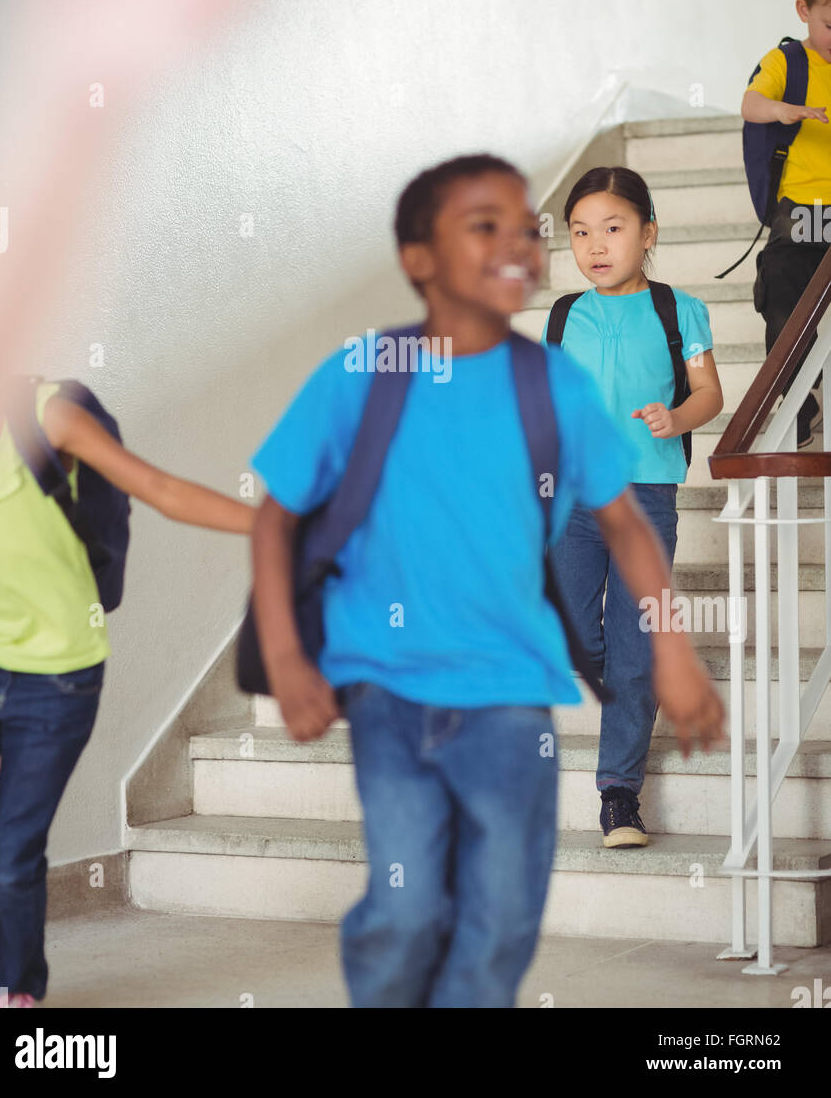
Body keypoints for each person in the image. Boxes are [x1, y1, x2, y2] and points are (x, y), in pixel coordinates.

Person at [250, 152, 724, 1009]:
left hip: (514, 686)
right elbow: (278, 510)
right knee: (403, 908)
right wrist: (285, 652)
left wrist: (677, 654)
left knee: (504, 915)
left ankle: (619, 789)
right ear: (419, 260)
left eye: (524, 228)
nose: (547, 246)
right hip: (392, 685)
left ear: (648, 236)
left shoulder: (596, 351)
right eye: (566, 231)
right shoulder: (375, 370)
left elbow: (635, 500)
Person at [0, 382, 254, 1007]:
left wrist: (285, 529)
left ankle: (12, 992)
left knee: (12, 853)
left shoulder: (47, 421)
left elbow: (164, 492)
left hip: (57, 679)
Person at [545, 166, 724, 848]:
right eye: (581, 233)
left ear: (647, 233)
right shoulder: (565, 315)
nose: (596, 244)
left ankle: (619, 796)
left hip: (647, 498)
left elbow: (709, 393)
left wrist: (678, 418)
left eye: (613, 228)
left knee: (635, 649)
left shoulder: (681, 311)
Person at [744, 0, 831, 446]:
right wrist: (784, 110)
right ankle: (796, 395)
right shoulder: (786, 61)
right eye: (829, 24)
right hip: (802, 214)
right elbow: (749, 104)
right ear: (803, 9)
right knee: (779, 285)